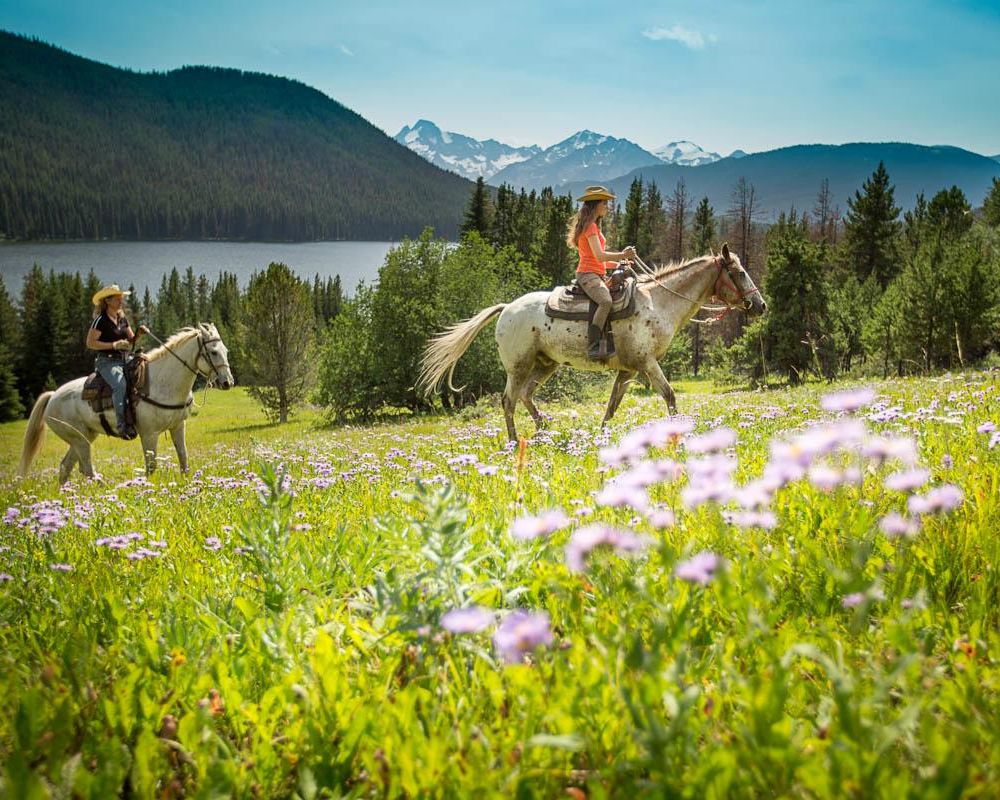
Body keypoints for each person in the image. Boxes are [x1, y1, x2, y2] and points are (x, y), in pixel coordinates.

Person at [567, 186, 636, 360]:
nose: (607, 206)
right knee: (605, 301)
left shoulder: (593, 227)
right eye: (604, 203)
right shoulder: (590, 227)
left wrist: (620, 263)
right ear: (595, 204)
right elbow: (600, 256)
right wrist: (623, 255)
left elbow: (599, 260)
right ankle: (593, 345)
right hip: (587, 274)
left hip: (595, 273)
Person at [86, 284, 148, 439]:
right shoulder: (100, 320)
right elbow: (90, 343)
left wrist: (139, 334)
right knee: (120, 385)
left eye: (122, 298)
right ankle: (122, 426)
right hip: (106, 362)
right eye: (117, 299)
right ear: (107, 301)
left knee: (146, 368)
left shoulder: (122, 319)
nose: (121, 301)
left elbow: (131, 340)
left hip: (125, 358)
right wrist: (113, 345)